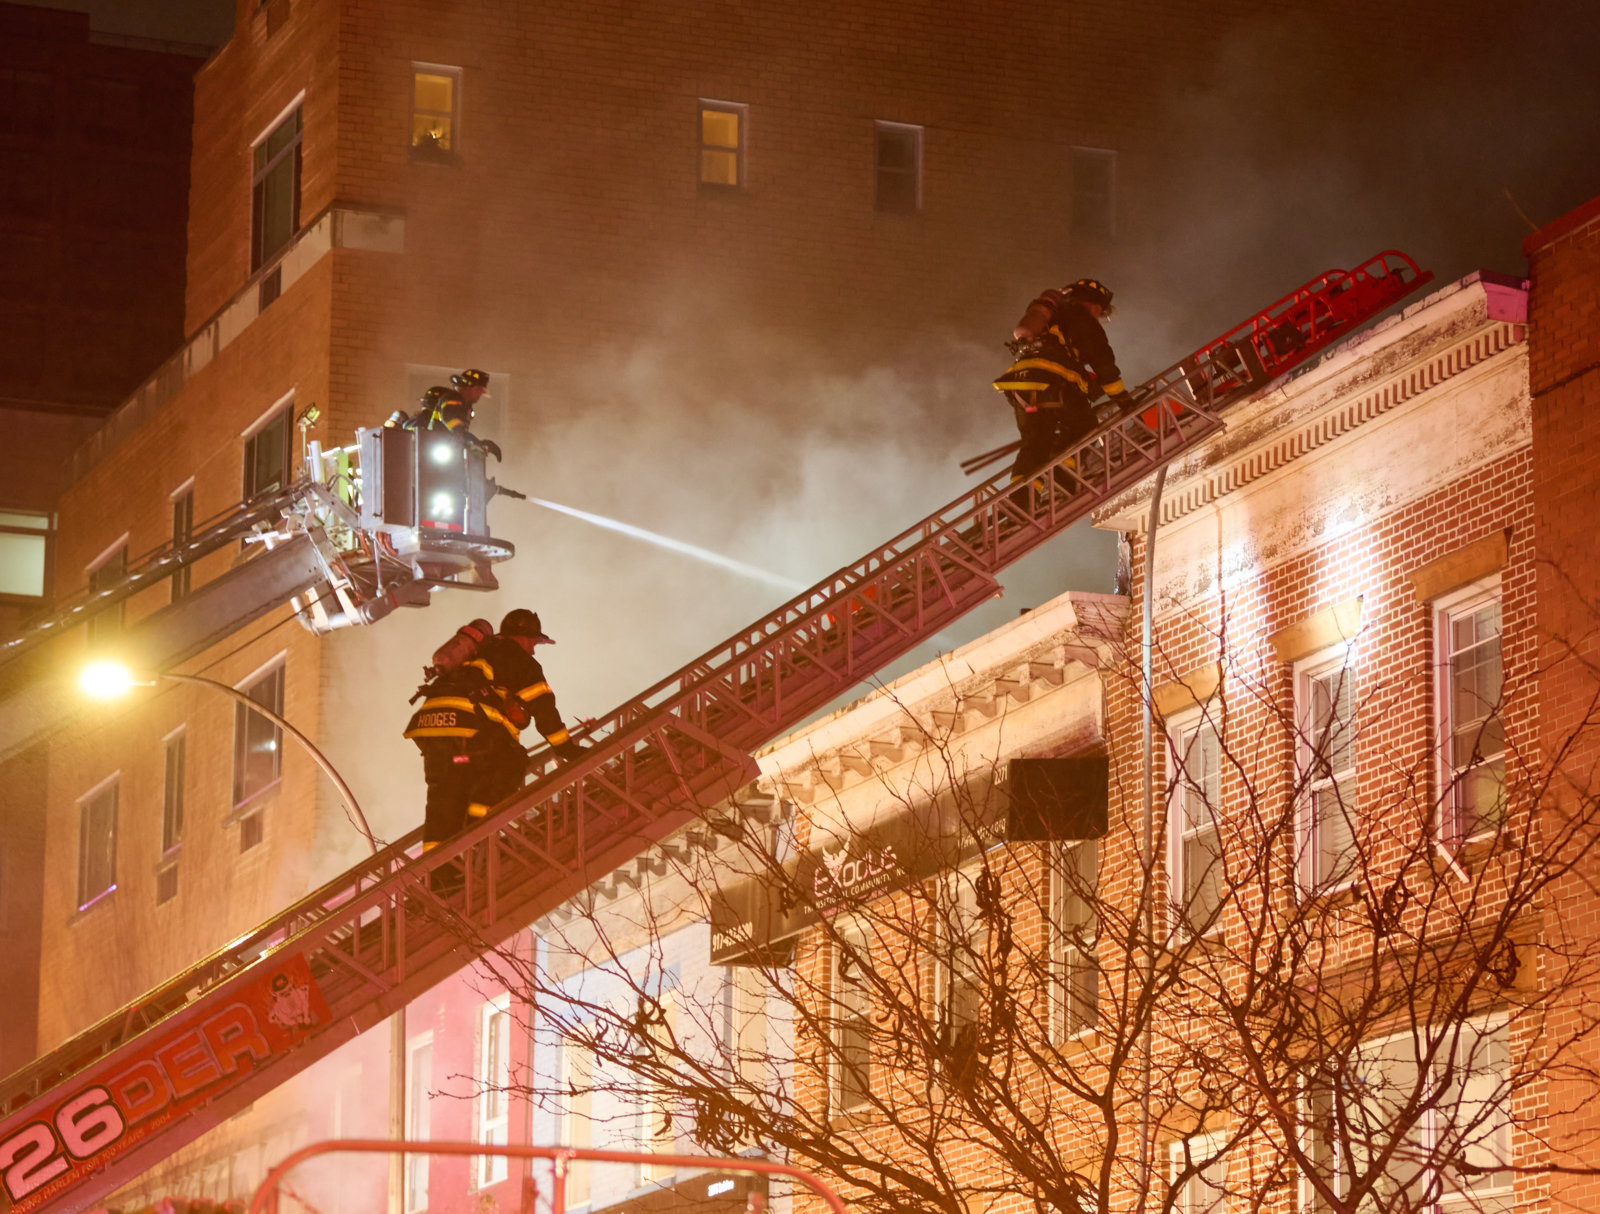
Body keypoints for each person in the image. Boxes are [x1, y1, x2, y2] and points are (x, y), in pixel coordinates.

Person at [404, 608, 584, 882]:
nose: (533, 650)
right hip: (466, 727)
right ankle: (478, 828)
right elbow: (543, 708)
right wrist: (566, 748)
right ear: (524, 638)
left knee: (444, 799)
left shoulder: (478, 654)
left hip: (431, 727)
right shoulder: (516, 657)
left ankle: (439, 876)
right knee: (510, 763)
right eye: (534, 643)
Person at [992, 278, 1129, 487]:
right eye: (1099, 312)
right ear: (1094, 305)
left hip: (1021, 386)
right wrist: (1122, 398)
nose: (1098, 317)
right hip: (1054, 383)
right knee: (1085, 427)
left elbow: (1060, 358)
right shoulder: (1080, 316)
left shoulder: (1051, 318)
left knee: (1035, 444)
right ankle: (1063, 476)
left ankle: (1021, 497)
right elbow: (1102, 360)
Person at [403, 370, 501, 459]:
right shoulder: (452, 399)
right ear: (470, 387)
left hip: (443, 454)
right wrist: (475, 443)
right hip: (436, 455)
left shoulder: (461, 403)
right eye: (479, 390)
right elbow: (455, 428)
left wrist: (478, 444)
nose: (480, 394)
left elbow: (458, 434)